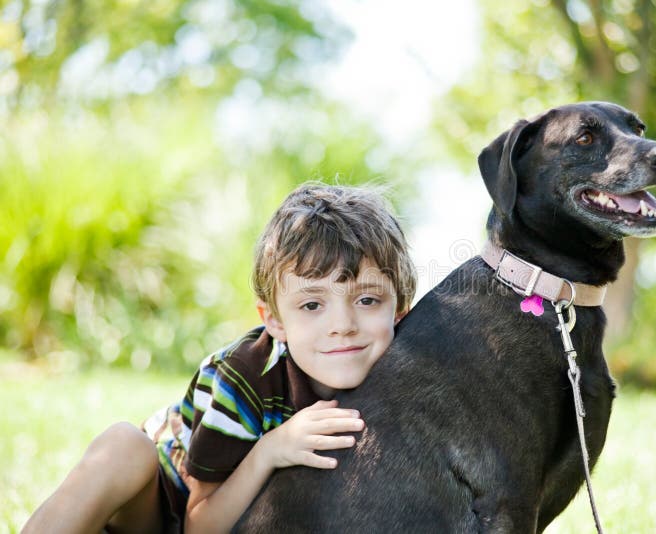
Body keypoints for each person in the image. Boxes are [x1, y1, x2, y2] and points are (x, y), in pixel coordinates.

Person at [23, 183, 417, 534]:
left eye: (367, 300)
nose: (342, 325)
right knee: (124, 445)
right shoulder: (245, 374)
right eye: (312, 305)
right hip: (155, 511)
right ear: (275, 321)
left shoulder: (407, 374)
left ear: (399, 309)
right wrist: (270, 450)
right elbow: (200, 524)